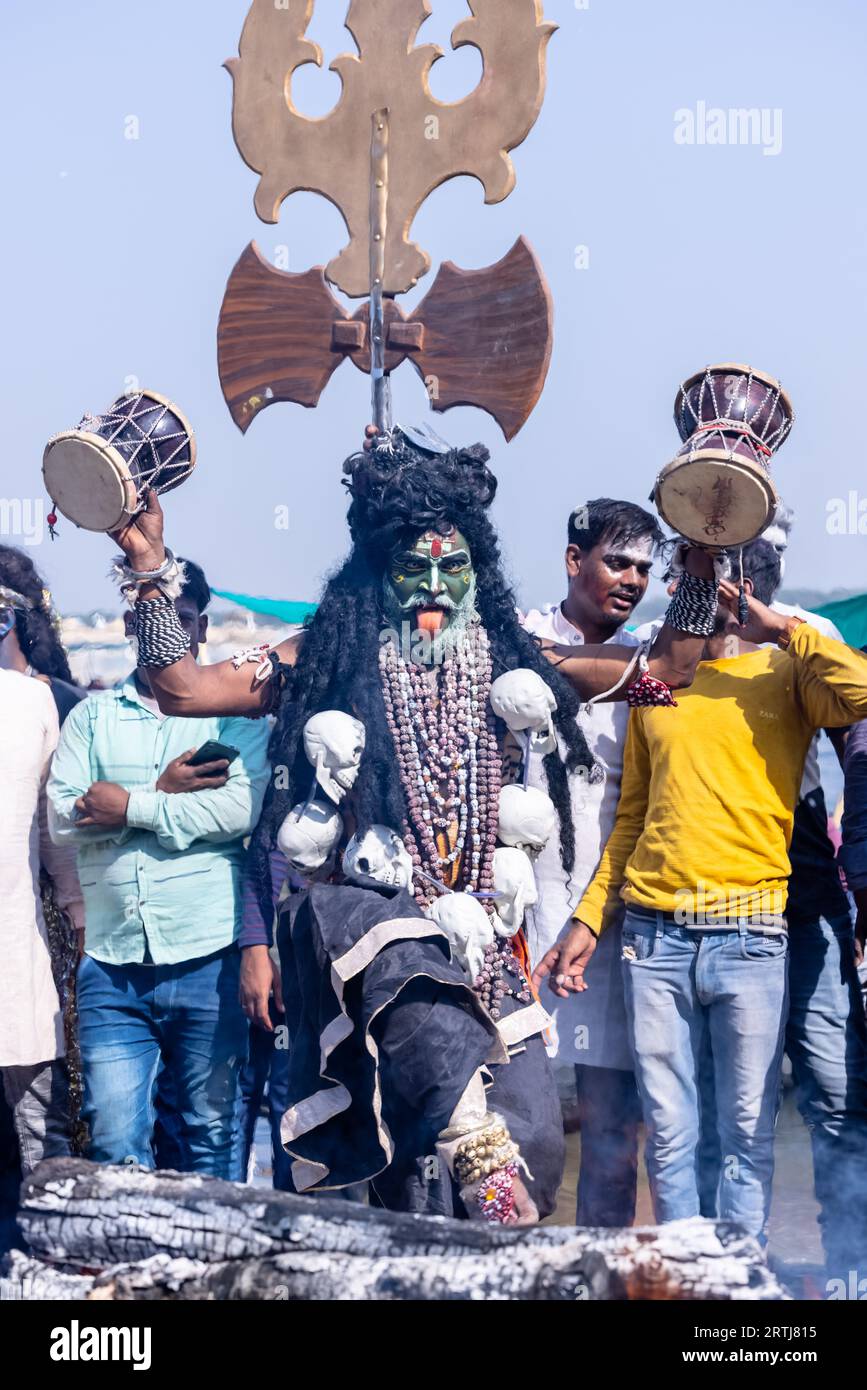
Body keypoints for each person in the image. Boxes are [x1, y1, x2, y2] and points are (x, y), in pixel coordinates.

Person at [103, 426, 724, 1223]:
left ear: (479, 575)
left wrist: (702, 557)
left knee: (529, 1146)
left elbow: (669, 670)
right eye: (412, 566)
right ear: (376, 572)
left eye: (452, 567)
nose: (433, 586)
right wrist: (151, 568)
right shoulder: (320, 658)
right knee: (414, 1151)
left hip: (482, 942)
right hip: (362, 939)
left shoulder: (516, 661)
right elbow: (183, 689)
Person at [536, 540, 867, 1242]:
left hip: (750, 936)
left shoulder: (784, 670)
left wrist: (777, 626)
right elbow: (631, 817)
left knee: (746, 1135)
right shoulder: (656, 683)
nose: (721, 588)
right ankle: (683, 1285)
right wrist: (590, 918)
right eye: (707, 575)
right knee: (670, 1137)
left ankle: (739, 1289)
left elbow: (863, 693)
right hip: (652, 941)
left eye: (733, 576)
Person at [47, 559, 270, 1178]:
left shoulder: (236, 715)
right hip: (113, 968)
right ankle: (134, 1270)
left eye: (184, 619)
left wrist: (130, 804)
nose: (170, 630)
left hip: (209, 957)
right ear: (131, 623)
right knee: (116, 1141)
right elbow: (64, 819)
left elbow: (238, 810)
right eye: (155, 617)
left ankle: (219, 1270)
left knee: (213, 1137)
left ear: (200, 631)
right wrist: (164, 793)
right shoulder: (92, 717)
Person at [521, 497, 663, 1226]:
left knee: (613, 1133)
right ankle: (505, 1271)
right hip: (516, 915)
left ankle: (598, 1274)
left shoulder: (655, 668)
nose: (632, 579)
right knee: (505, 1126)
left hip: (609, 919)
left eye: (644, 567)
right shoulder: (515, 643)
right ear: (574, 560)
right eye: (617, 561)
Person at [0, 658, 83, 1182]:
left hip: (14, 949)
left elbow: (54, 830)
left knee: (41, 1146)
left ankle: (48, 1255)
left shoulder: (30, 700)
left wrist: (78, 912)